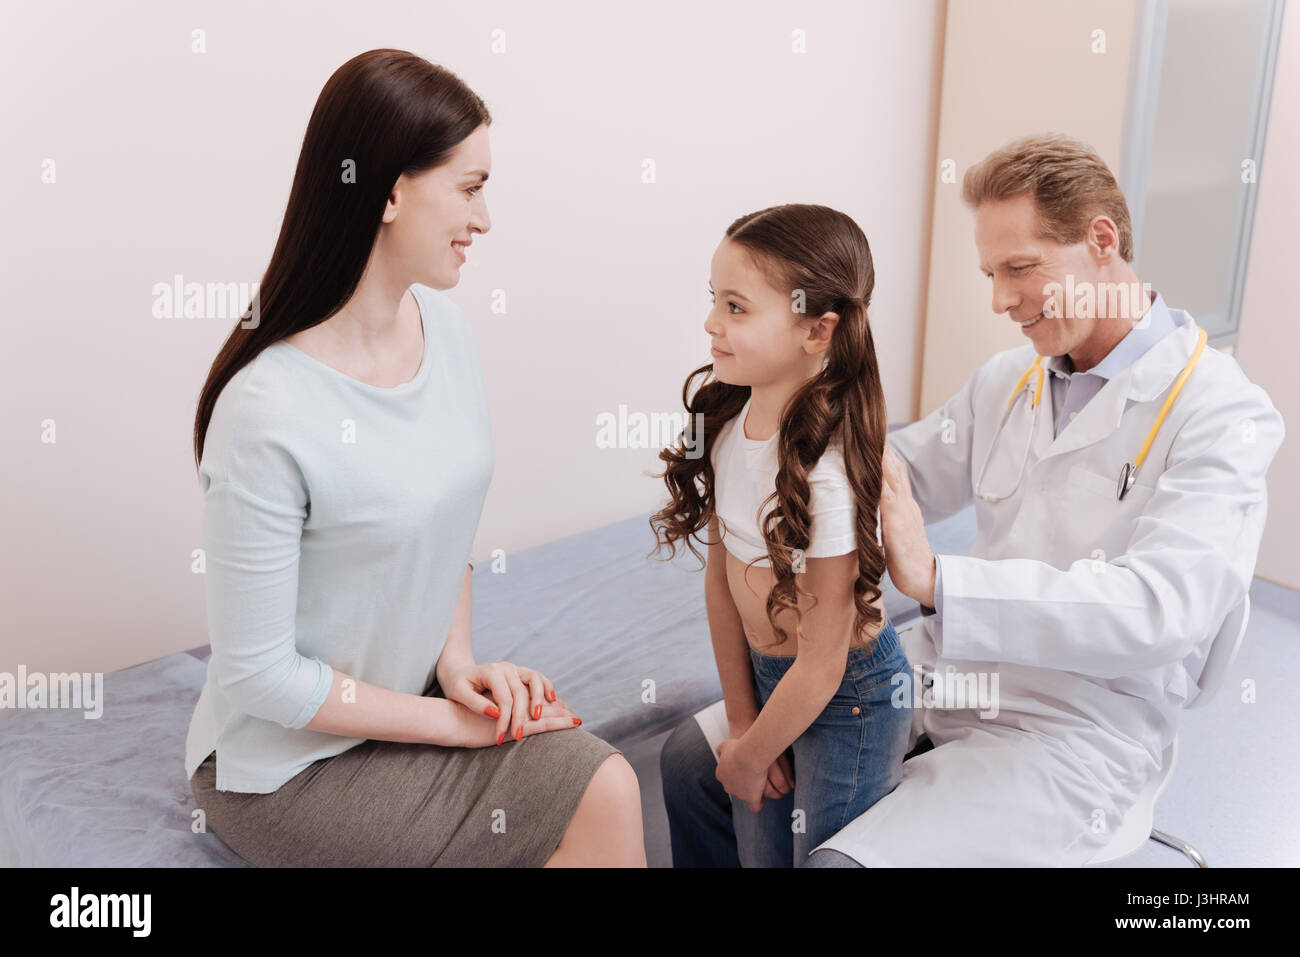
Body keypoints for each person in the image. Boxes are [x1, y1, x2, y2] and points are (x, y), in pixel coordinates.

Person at [660, 132, 1284, 867]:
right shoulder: (1009, 381)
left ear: (1102, 240)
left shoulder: (1222, 413)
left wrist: (939, 577)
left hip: (1073, 732)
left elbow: (1163, 607)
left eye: (1020, 269)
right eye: (992, 273)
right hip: (945, 671)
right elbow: (896, 475)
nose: (1001, 300)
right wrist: (785, 424)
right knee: (690, 764)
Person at [185, 49, 644, 867]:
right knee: (602, 786)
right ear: (390, 189)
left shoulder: (448, 334)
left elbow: (446, 521)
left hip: (409, 697)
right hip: (286, 766)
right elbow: (260, 678)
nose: (486, 219)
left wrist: (459, 665)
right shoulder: (266, 411)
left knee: (603, 781)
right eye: (470, 188)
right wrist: (448, 722)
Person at [649, 204, 913, 866]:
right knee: (757, 853)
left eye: (737, 308)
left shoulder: (828, 476)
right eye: (715, 301)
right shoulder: (727, 424)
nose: (712, 323)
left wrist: (754, 752)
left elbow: (823, 662)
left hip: (848, 697)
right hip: (771, 685)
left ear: (817, 330)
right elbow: (721, 585)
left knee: (819, 857)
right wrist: (743, 729)